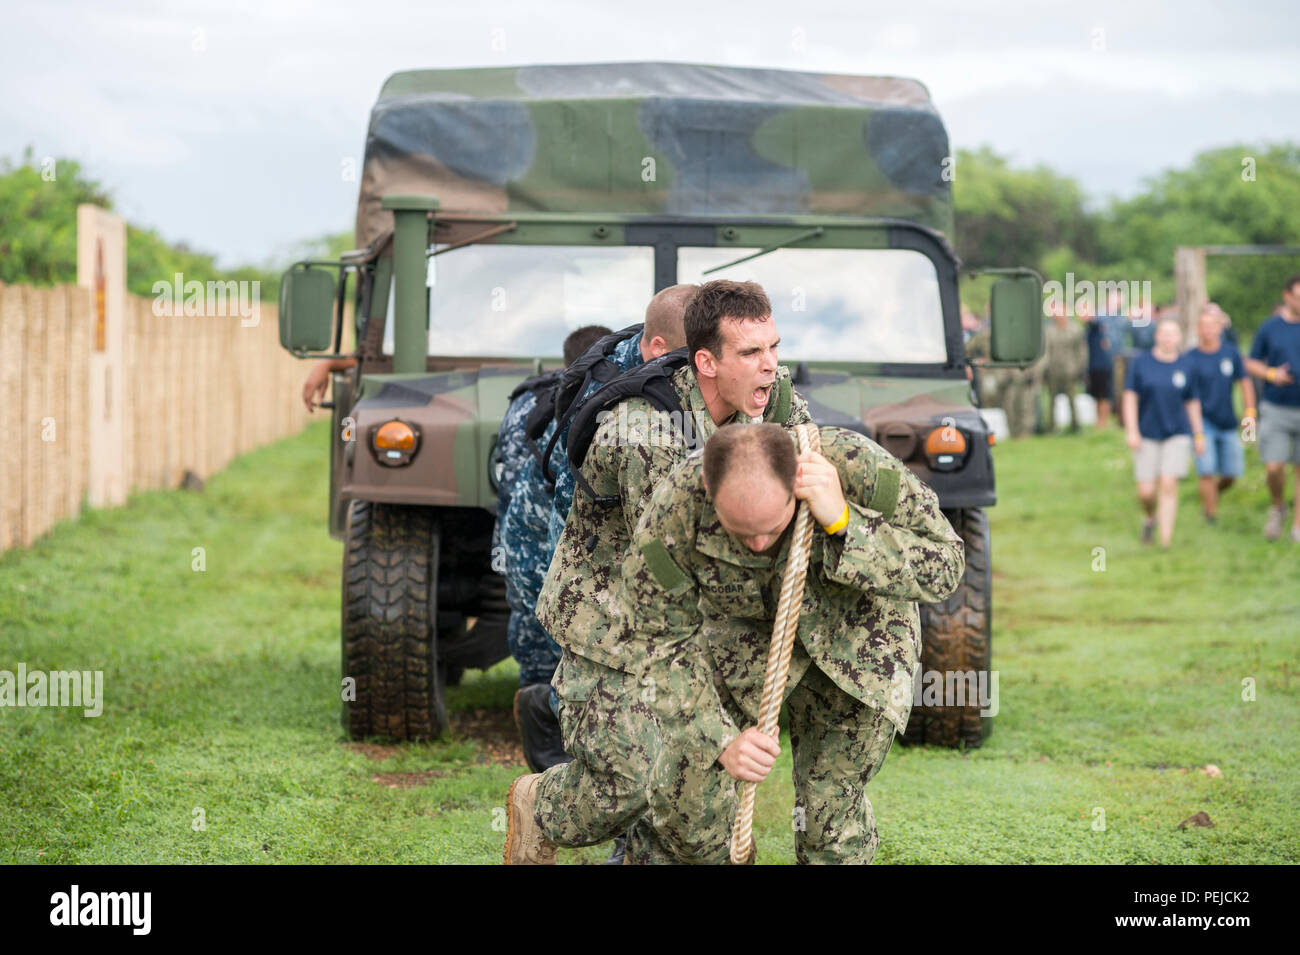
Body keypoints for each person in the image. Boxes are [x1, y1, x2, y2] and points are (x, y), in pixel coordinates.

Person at [503, 280, 811, 865]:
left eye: (774, 348)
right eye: (751, 353)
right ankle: (540, 803)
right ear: (707, 363)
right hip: (612, 625)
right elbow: (682, 563)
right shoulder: (644, 436)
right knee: (631, 783)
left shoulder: (770, 397)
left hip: (699, 617)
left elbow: (803, 456)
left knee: (692, 803)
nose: (770, 365)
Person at [616, 423, 964, 864]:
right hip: (742, 647)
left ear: (796, 481)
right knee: (687, 807)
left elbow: (946, 565)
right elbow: (652, 641)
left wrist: (845, 522)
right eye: (742, 533)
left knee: (826, 826)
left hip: (858, 645)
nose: (759, 543)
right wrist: (719, 739)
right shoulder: (677, 507)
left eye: (771, 528)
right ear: (708, 487)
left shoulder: (854, 464)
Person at [508, 287, 693, 817]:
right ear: (659, 349)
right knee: (619, 700)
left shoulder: (673, 380)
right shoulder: (615, 405)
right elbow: (580, 517)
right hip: (586, 555)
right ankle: (551, 714)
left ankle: (551, 703)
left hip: (627, 548)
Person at [496, 325, 611, 771]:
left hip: (520, 534)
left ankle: (539, 706)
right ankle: (560, 733)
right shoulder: (599, 408)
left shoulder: (528, 403)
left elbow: (506, 480)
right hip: (561, 540)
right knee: (579, 652)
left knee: (536, 637)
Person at [1122, 318, 1206, 548]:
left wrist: (1199, 434)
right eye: (1164, 333)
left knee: (1169, 483)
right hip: (1147, 432)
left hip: (1177, 432)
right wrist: (1132, 430)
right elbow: (1130, 397)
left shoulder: (1187, 365)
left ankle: (1165, 542)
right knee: (1146, 492)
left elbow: (1192, 402)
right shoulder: (1141, 363)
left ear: (1179, 338)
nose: (1168, 338)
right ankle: (1150, 518)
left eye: (1173, 334)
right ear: (1157, 336)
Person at [1184, 307, 1254, 524]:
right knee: (1206, 470)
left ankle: (1211, 495)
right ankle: (1211, 515)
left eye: (1211, 326)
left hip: (1227, 420)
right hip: (1203, 421)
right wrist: (1195, 431)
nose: (1207, 330)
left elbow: (1245, 383)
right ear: (1198, 329)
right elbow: (1188, 397)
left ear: (1219, 328)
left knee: (1232, 474)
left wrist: (1249, 414)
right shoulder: (1190, 358)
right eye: (1203, 326)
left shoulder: (1231, 353)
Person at [1244, 275, 1300, 541]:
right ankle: (1278, 506)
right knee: (1274, 467)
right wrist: (1270, 374)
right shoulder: (1270, 327)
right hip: (1276, 407)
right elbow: (1250, 362)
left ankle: (1297, 527)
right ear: (1287, 296)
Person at [1042, 300, 1087, 432]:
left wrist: (1079, 367)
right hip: (1053, 370)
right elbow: (1046, 351)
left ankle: (1075, 425)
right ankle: (1051, 427)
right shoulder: (1048, 330)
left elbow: (1081, 351)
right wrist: (1045, 368)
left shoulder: (1075, 330)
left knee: (1072, 398)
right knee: (1051, 400)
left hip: (1070, 370)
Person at [1085, 298, 1116, 428]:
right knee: (1097, 396)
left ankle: (1103, 422)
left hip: (1102, 366)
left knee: (1104, 395)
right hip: (1093, 366)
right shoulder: (1089, 328)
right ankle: (1099, 422)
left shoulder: (1097, 324)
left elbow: (1095, 322)